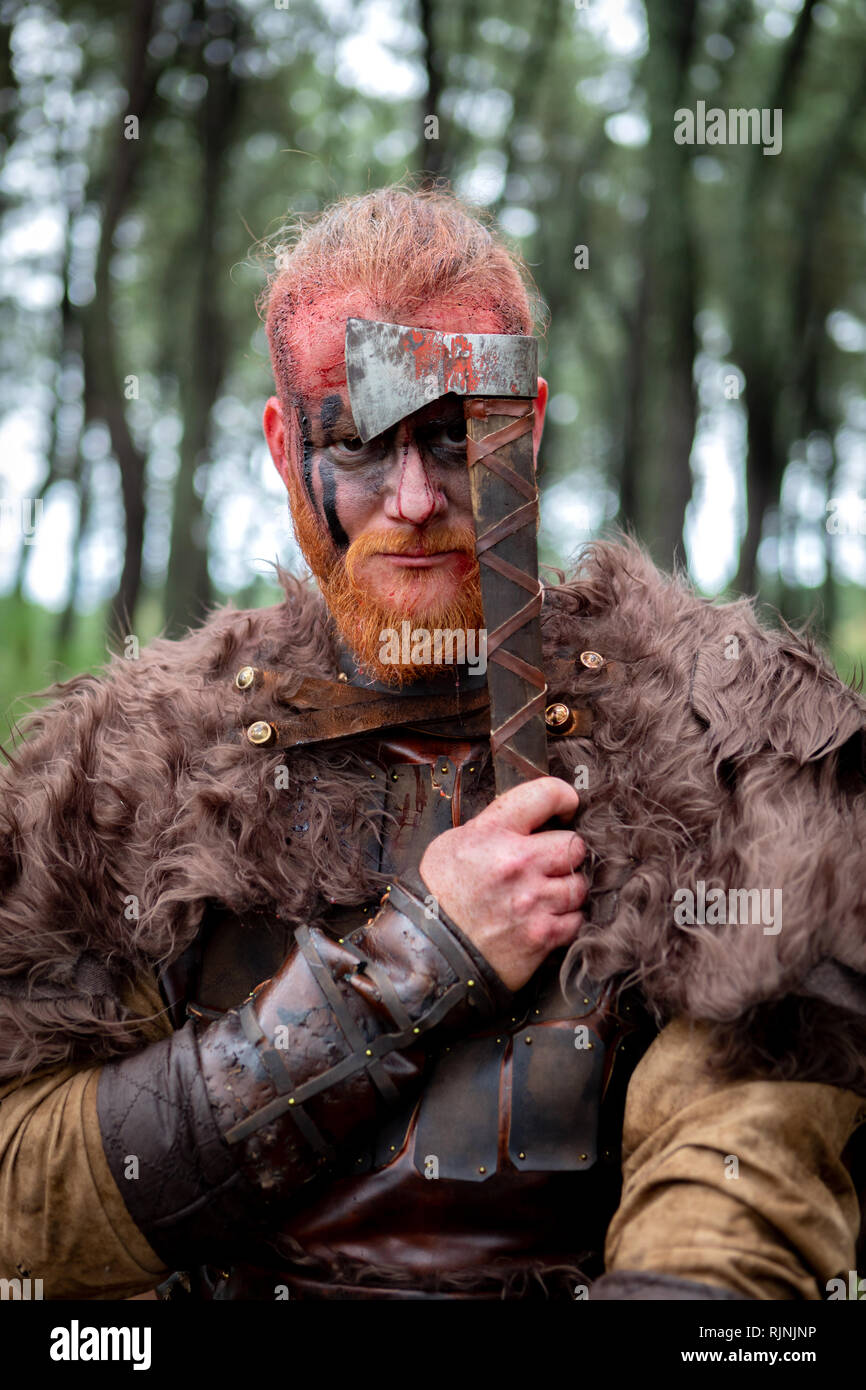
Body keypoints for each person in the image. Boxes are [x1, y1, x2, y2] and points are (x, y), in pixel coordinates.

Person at [0, 186, 863, 1302]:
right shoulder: (125, 767)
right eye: (359, 445)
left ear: (531, 425)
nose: (412, 498)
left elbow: (742, 1169)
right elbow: (33, 1200)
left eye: (456, 437)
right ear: (282, 446)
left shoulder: (710, 738)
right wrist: (408, 968)